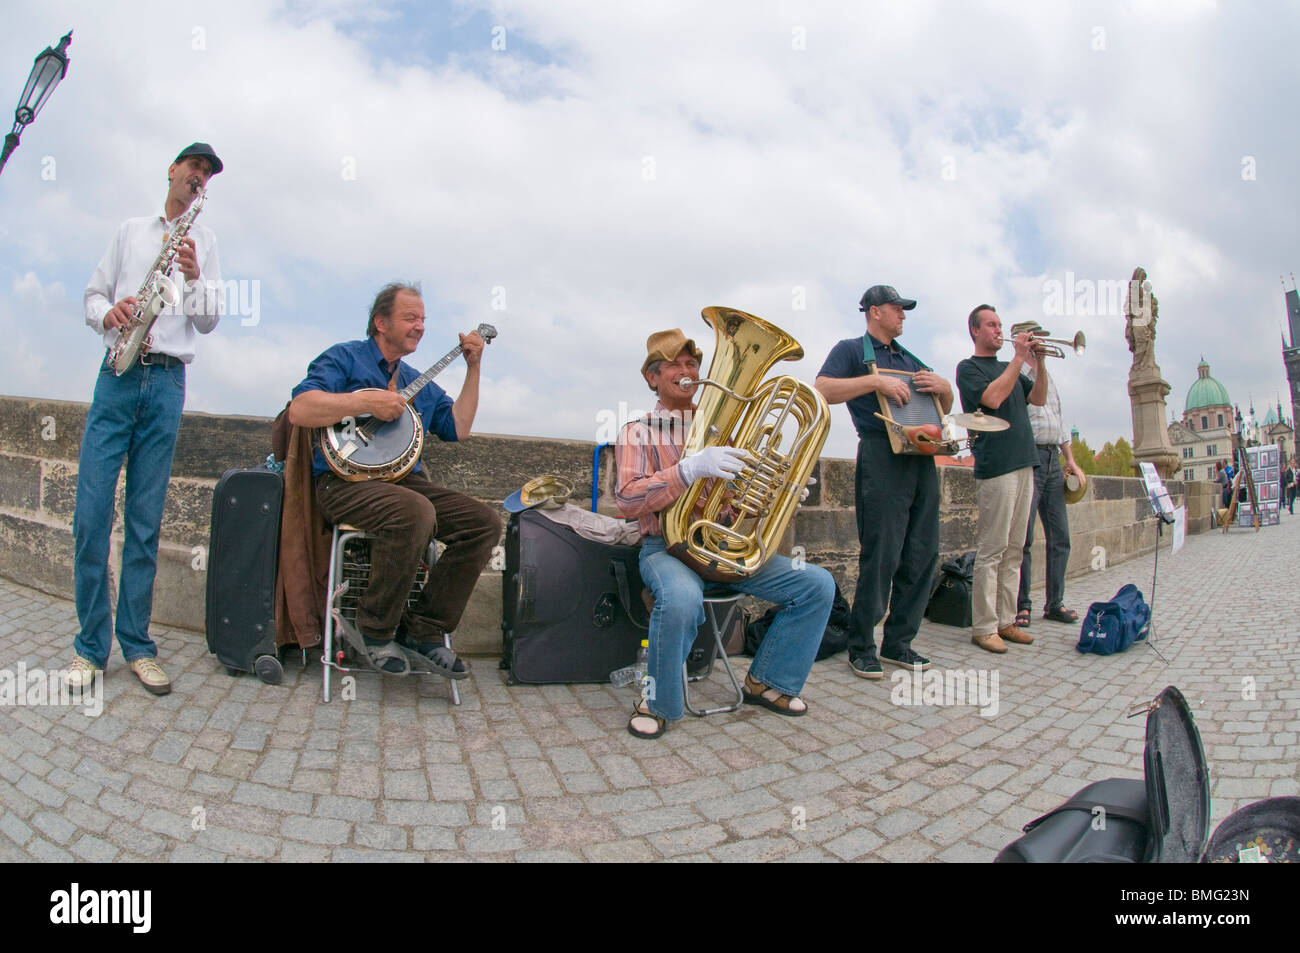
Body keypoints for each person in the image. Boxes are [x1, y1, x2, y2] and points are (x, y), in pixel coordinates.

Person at [615, 328, 835, 739]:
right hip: (666, 548)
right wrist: (686, 470)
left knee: (817, 585)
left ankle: (767, 681)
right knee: (681, 598)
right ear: (652, 377)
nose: (687, 370)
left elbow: (735, 502)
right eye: (675, 364)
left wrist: (780, 492)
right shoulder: (636, 432)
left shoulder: (729, 430)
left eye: (692, 363)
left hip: (720, 546)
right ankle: (657, 700)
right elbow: (627, 499)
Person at [68, 143, 225, 695]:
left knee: (144, 523)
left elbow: (207, 321)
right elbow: (91, 296)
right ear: (173, 171)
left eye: (207, 174)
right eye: (194, 168)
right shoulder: (131, 231)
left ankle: (136, 644)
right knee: (90, 517)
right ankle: (90, 648)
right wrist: (106, 313)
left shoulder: (203, 243)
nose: (199, 177)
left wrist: (197, 275)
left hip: (166, 383)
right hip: (118, 374)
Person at [287, 283, 500, 679]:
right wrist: (367, 402)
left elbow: (459, 426)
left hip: (403, 483)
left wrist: (473, 368)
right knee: (415, 511)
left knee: (484, 523)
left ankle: (424, 629)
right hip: (342, 484)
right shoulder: (345, 358)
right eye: (410, 318)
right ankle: (375, 629)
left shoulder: (415, 379)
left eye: (423, 319)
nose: (420, 326)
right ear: (381, 323)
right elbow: (301, 409)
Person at [814, 285, 953, 679]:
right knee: (882, 554)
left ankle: (899, 643)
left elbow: (944, 408)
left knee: (922, 553)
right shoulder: (852, 350)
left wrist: (946, 389)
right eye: (898, 309)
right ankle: (861, 646)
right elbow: (822, 389)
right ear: (875, 312)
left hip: (921, 457)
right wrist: (874, 383)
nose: (904, 316)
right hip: (881, 454)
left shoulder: (910, 358)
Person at [955, 305, 1046, 654]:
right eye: (991, 325)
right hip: (996, 467)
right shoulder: (970, 368)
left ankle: (1006, 621)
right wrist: (1017, 359)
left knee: (1015, 550)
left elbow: (1036, 397)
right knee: (992, 550)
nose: (998, 330)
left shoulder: (1009, 368)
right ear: (975, 331)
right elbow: (992, 398)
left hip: (1025, 462)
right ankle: (984, 627)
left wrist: (1039, 364)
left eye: (1000, 324)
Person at [1012, 322, 1085, 627]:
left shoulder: (1047, 376)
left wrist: (1071, 460)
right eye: (1036, 338)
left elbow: (1059, 420)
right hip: (1030, 458)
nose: (1042, 343)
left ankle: (1055, 602)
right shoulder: (1016, 375)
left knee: (1060, 537)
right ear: (1025, 341)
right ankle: (1022, 605)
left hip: (1053, 458)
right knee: (1024, 538)